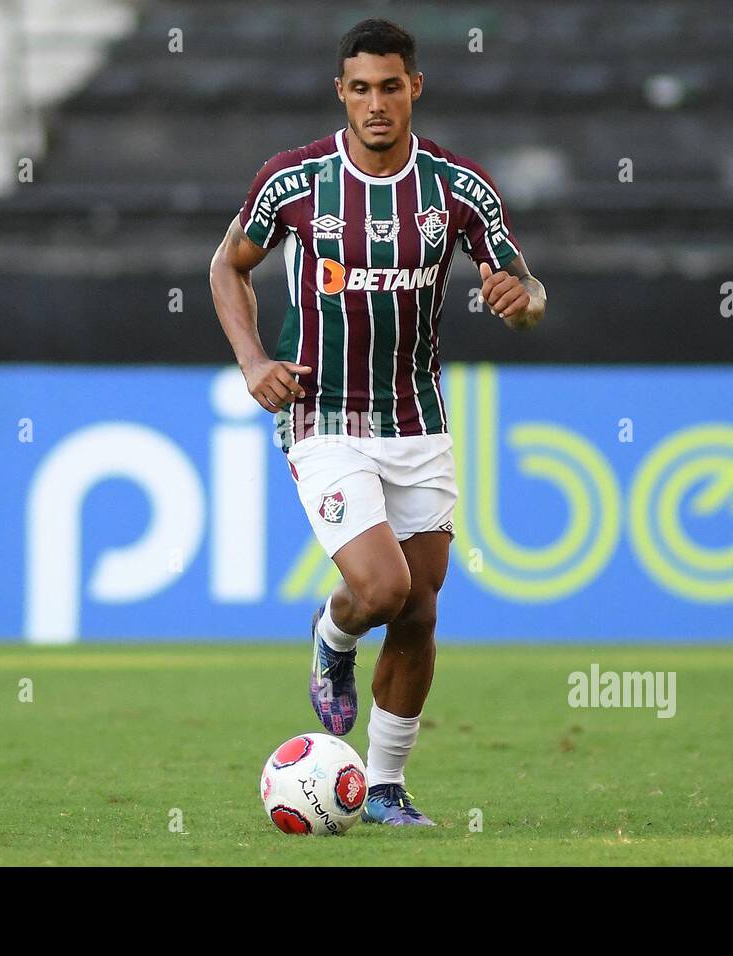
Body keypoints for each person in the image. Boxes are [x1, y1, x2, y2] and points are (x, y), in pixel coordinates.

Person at [209, 17, 546, 826]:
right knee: (383, 588)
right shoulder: (292, 182)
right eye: (360, 89)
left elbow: (525, 286)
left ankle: (388, 787)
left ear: (414, 88)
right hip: (322, 415)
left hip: (416, 419)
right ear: (341, 94)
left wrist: (523, 300)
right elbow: (227, 265)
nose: (376, 104)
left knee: (422, 610)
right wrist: (254, 361)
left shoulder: (458, 188)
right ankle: (333, 632)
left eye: (390, 87)